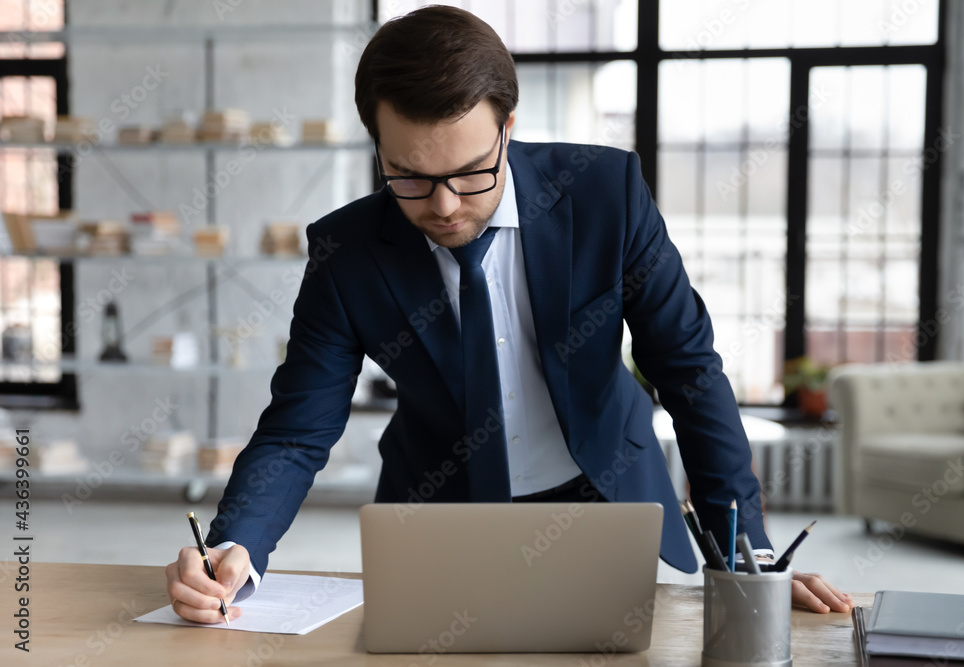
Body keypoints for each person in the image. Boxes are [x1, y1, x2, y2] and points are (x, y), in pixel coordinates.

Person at [165, 5, 853, 624]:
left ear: (509, 127)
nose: (441, 205)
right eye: (409, 175)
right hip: (437, 513)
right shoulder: (345, 250)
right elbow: (297, 429)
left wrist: (748, 551)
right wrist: (236, 543)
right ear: (376, 142)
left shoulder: (606, 197)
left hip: (603, 501)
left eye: (470, 174)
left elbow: (689, 372)